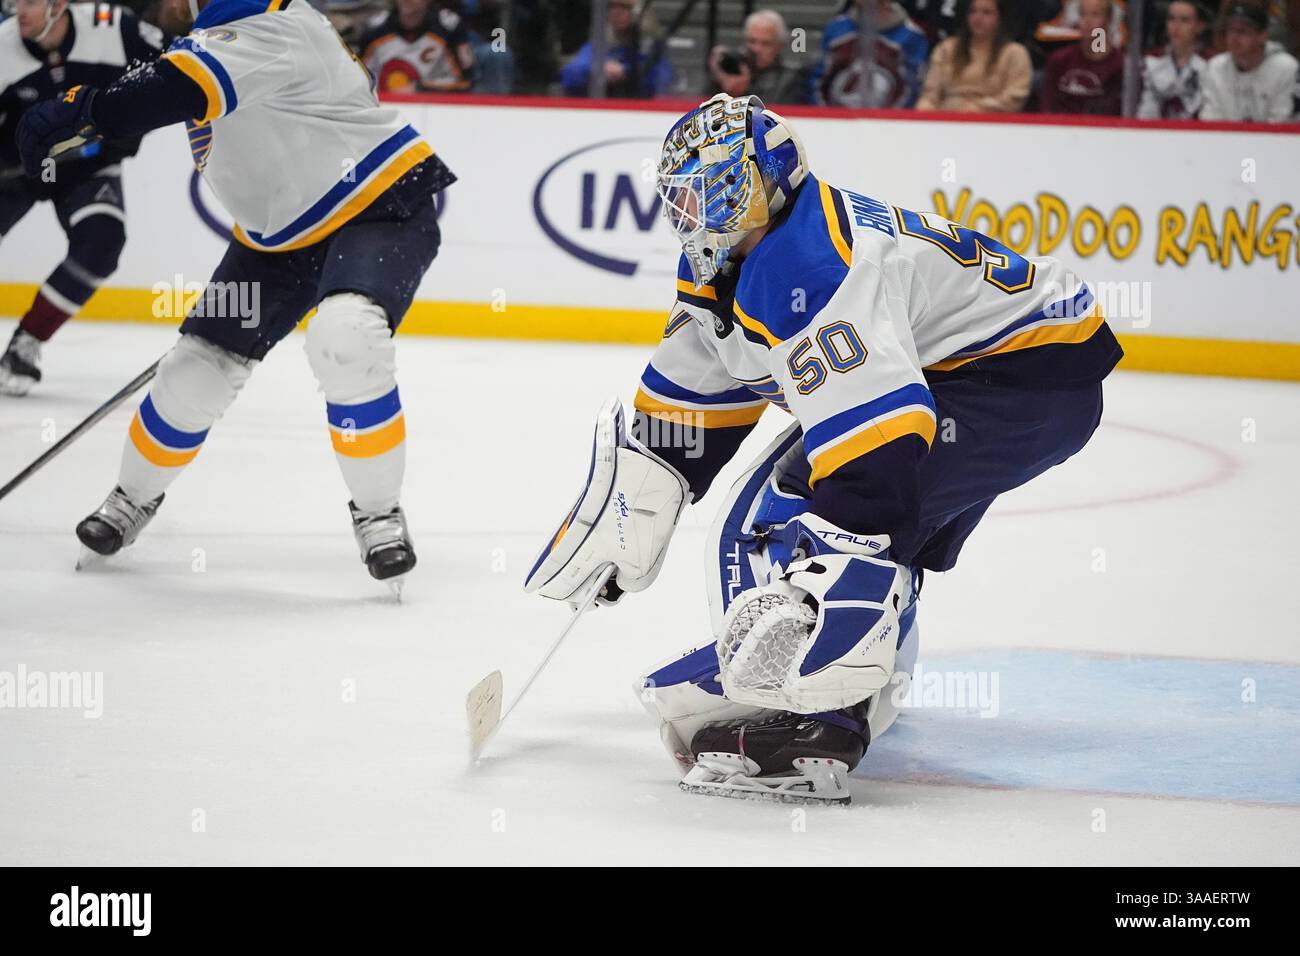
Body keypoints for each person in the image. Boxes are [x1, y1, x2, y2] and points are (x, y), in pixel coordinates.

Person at [524, 94, 1122, 803]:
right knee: (813, 508)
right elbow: (695, 404)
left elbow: (875, 455)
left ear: (771, 180)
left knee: (790, 510)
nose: (699, 214)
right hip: (999, 369)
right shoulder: (734, 260)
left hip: (1020, 381)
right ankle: (869, 678)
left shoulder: (812, 264)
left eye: (719, 190)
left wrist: (849, 541)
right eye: (685, 197)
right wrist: (638, 504)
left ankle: (820, 713)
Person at [17, 0, 456, 587]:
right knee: (193, 371)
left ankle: (378, 512)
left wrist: (85, 110)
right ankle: (132, 498)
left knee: (346, 338)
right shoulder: (211, 33)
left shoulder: (266, 18)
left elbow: (164, 90)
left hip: (379, 206)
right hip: (280, 240)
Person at [0, 0, 165, 395]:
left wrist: (125, 134)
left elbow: (177, 72)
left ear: (58, 6)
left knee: (102, 243)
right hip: (14, 171)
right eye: (14, 1)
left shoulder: (114, 28)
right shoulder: (3, 48)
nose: (18, 10)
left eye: (30, 2)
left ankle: (28, 342)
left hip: (87, 169)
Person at [916, 0, 1032, 111]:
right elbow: (930, 94)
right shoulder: (947, 48)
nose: (978, 18)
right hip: (947, 119)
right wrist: (924, 108)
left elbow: (1015, 97)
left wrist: (979, 108)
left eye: (986, 12)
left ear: (1000, 18)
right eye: (973, 11)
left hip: (995, 121)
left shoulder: (1015, 53)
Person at [815, 0, 930, 107]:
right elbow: (819, 80)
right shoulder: (836, 28)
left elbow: (913, 90)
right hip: (836, 119)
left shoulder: (912, 36)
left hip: (890, 122)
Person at [1201, 2, 1297, 121]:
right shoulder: (1215, 67)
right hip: (1225, 138)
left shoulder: (1285, 68)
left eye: (1242, 31)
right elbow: (1211, 120)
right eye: (1231, 30)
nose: (1234, 38)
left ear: (1262, 36)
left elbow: (1282, 121)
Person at [558, 0, 671, 99]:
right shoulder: (600, 43)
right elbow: (570, 75)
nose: (616, 12)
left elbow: (663, 79)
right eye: (612, 7)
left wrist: (625, 71)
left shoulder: (651, 48)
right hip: (604, 109)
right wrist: (596, 69)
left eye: (624, 7)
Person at [360, 0, 475, 94]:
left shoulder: (449, 28)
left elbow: (465, 84)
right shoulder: (375, 30)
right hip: (382, 108)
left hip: (435, 109)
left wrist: (421, 89)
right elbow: (357, 83)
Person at [707, 9, 809, 105]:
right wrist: (718, 77)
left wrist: (742, 92)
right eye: (752, 41)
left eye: (765, 43)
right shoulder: (731, 68)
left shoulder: (791, 78)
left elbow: (778, 116)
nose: (756, 49)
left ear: (779, 46)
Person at [1040, 0, 1125, 114]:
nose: (1087, 21)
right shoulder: (1059, 60)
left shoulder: (1120, 65)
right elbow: (1048, 108)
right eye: (1083, 14)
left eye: (1095, 15)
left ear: (1108, 20)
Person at [1138, 0, 1209, 119]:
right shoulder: (1150, 61)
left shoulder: (1211, 64)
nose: (1176, 26)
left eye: (1185, 20)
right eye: (1171, 19)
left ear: (1199, 27)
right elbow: (1145, 113)